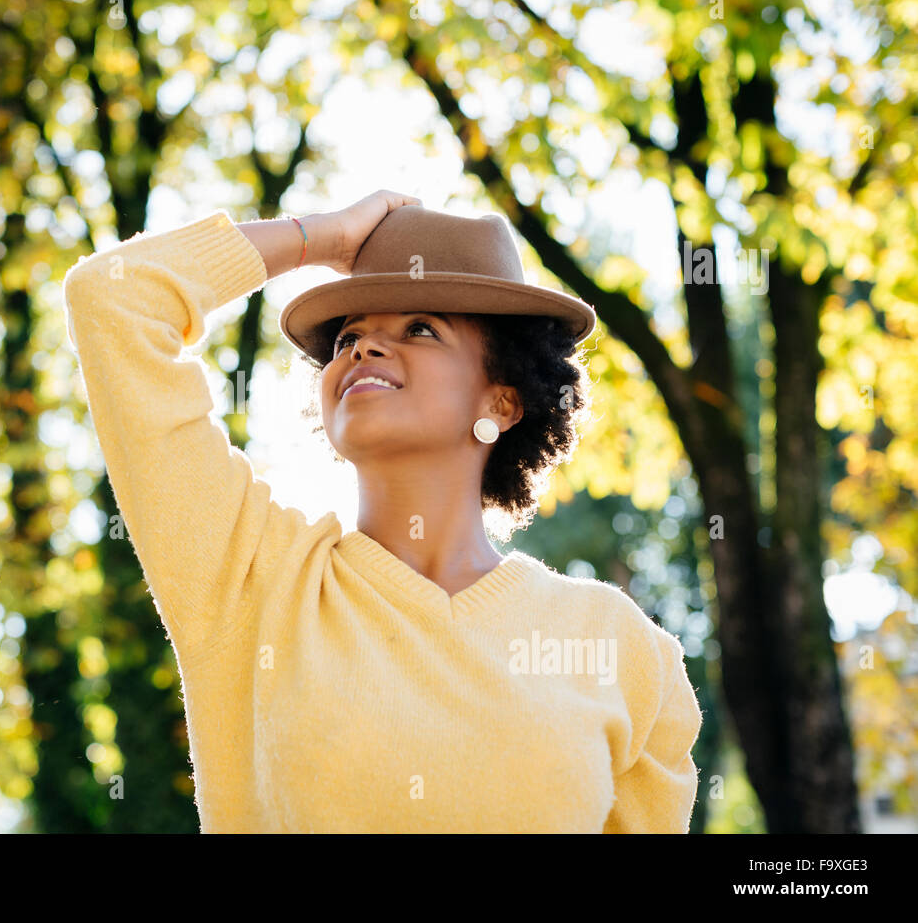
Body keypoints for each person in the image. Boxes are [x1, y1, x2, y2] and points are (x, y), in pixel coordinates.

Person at [61, 189, 703, 832]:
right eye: (349, 336)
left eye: (420, 329)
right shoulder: (252, 577)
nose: (362, 350)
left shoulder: (623, 649)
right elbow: (114, 297)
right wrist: (323, 239)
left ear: (503, 400)